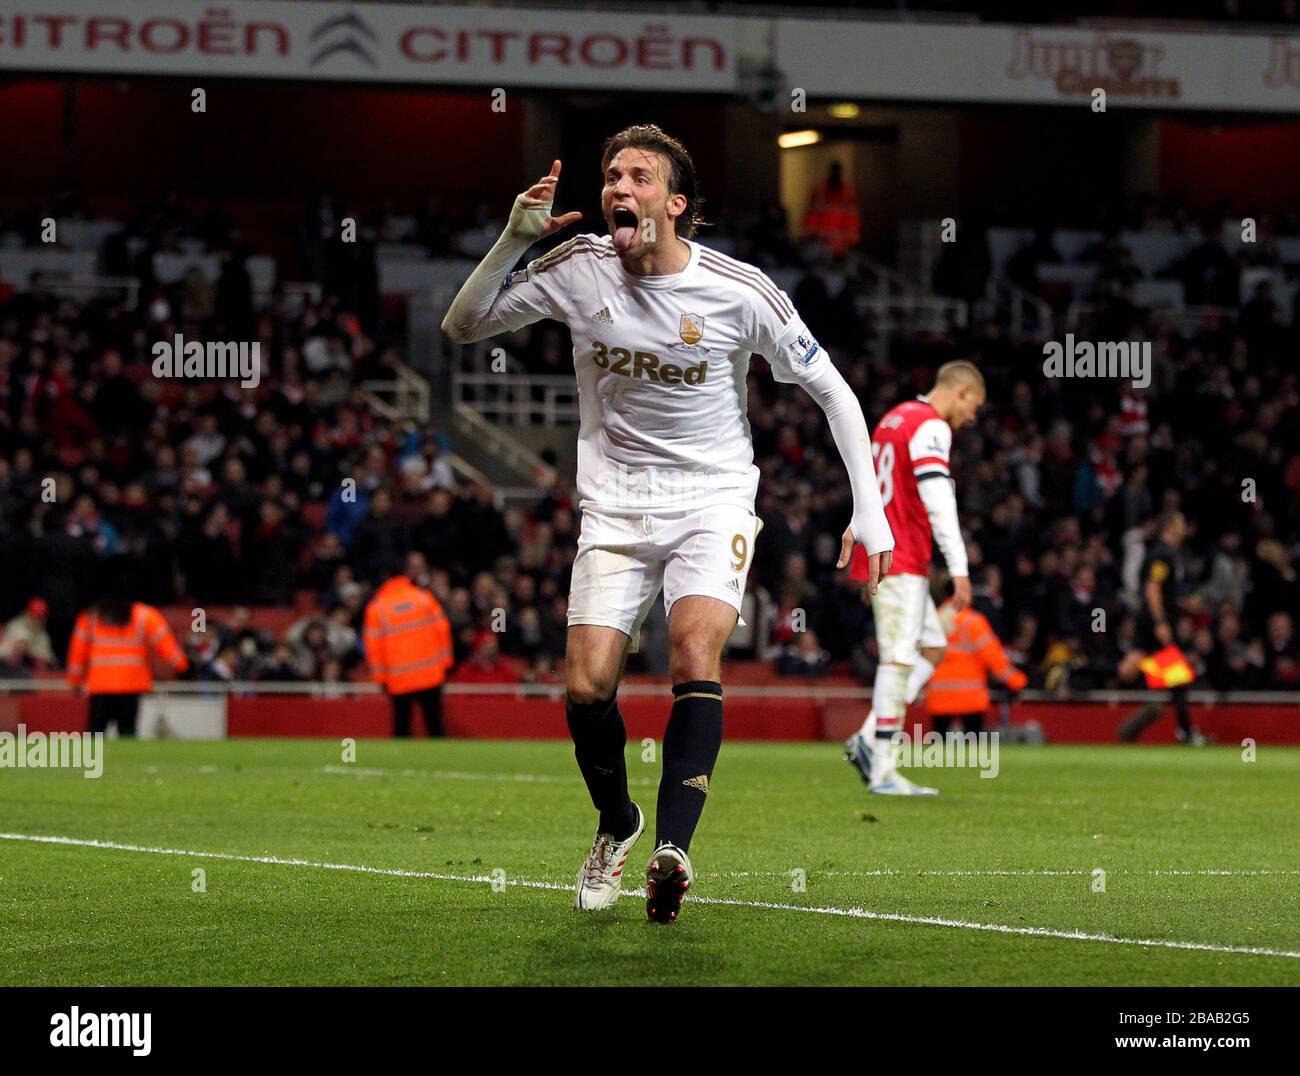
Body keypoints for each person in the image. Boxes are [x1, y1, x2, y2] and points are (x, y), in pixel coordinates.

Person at [442, 125, 893, 923]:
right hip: (613, 505)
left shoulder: (737, 290)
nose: (619, 187)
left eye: (639, 177)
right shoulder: (578, 268)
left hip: (711, 498)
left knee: (694, 651)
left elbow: (834, 392)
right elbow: (464, 325)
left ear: (675, 204)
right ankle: (619, 824)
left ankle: (674, 850)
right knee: (585, 684)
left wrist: (871, 509)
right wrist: (512, 239)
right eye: (611, 173)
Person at [843, 361, 984, 795]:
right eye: (973, 406)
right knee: (899, 658)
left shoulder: (894, 417)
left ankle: (868, 738)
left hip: (887, 551)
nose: (972, 418)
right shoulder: (932, 428)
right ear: (959, 392)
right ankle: (883, 770)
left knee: (934, 647)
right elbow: (939, 500)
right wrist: (959, 567)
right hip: (900, 557)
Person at [1116, 511, 1203, 744]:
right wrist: (1161, 623)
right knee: (1178, 679)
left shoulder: (1168, 555)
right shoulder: (1162, 555)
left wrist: (1184, 603)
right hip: (1156, 625)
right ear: (1170, 527)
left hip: (1152, 624)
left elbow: (1163, 591)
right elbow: (1152, 588)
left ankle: (1134, 725)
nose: (1185, 528)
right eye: (1182, 523)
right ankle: (1185, 732)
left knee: (1129, 671)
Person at [66, 589, 189, 737]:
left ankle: (94, 759)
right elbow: (165, 643)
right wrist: (184, 667)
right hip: (131, 684)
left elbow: (77, 653)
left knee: (95, 731)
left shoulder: (90, 617)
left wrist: (75, 682)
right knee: (127, 731)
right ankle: (127, 760)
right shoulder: (145, 615)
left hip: (100, 685)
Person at [363, 553, 454, 737]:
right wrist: (446, 663)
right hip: (430, 673)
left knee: (401, 726)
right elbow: (443, 630)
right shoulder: (423, 598)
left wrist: (380, 678)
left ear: (385, 577)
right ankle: (443, 763)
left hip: (398, 678)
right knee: (435, 725)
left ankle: (398, 763)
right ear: (405, 574)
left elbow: (373, 647)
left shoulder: (377, 608)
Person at [925, 599, 1027, 736]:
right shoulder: (973, 622)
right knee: (974, 749)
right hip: (970, 696)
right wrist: (1017, 681)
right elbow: (993, 656)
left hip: (939, 695)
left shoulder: (932, 620)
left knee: (937, 749)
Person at [0, 598, 58, 675]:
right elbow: (13, 658)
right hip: (5, 668)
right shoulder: (17, 626)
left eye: (41, 616)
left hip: (25, 673)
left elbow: (44, 661)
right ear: (28, 613)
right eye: (35, 616)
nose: (38, 619)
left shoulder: (42, 634)